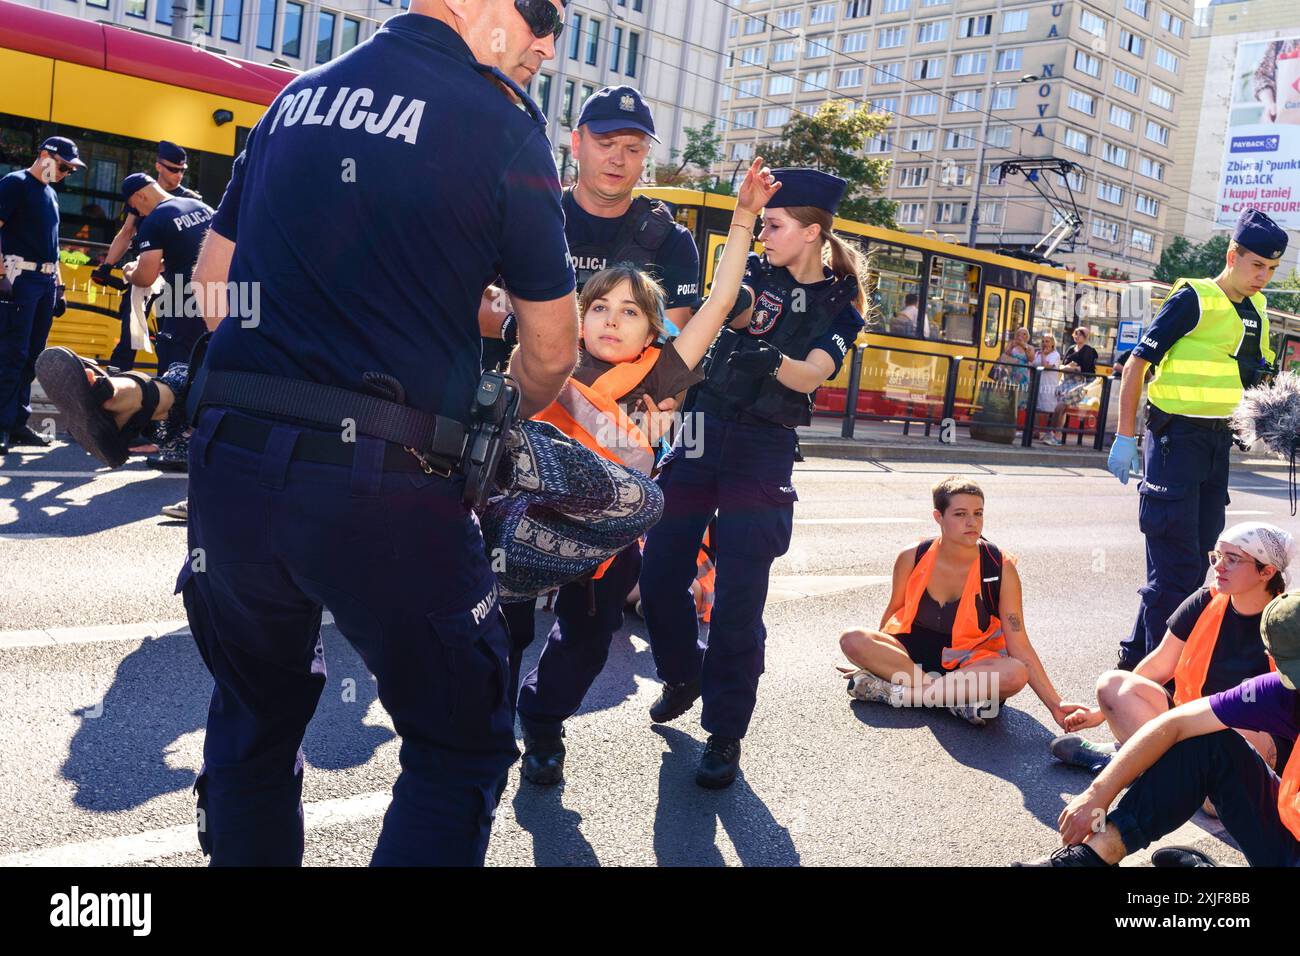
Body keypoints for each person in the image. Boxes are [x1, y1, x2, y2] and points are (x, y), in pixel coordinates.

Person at [177, 0, 576, 866]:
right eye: (539, 11)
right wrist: (500, 404)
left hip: (230, 465)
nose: (548, 36)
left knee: (253, 725)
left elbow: (214, 287)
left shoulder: (295, 96)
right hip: (388, 480)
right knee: (458, 742)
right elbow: (552, 348)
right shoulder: (500, 125)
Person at [510, 157, 781, 786]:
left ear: (653, 330)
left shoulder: (661, 377)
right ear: (579, 316)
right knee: (496, 634)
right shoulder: (548, 357)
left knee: (584, 641)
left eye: (630, 312)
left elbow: (715, 305)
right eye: (600, 306)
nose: (611, 319)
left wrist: (743, 220)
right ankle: (486, 732)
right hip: (516, 523)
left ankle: (544, 721)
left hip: (605, 545)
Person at [637, 167, 866, 789]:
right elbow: (722, 297)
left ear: (813, 233)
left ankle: (725, 733)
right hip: (702, 429)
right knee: (658, 575)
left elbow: (812, 374)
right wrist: (743, 218)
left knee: (738, 601)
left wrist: (776, 360)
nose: (765, 234)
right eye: (762, 226)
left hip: (764, 446)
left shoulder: (841, 304)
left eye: (774, 225)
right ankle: (682, 673)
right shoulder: (755, 275)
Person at [1108, 209, 1286, 671]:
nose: (1263, 277)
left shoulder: (1258, 310)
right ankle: (1154, 678)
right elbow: (1135, 365)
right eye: (1256, 266)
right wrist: (1125, 436)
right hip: (1174, 443)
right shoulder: (1194, 298)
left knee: (1199, 570)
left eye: (1271, 269)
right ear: (1233, 255)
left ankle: (1136, 659)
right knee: (1176, 572)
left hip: (1216, 447)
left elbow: (1256, 376)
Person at [1017, 590, 1300, 868]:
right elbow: (1174, 724)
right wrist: (1097, 794)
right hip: (1289, 837)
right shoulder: (1280, 690)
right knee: (1207, 744)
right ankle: (1092, 857)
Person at [480, 84, 701, 369]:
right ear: (576, 144)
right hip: (513, 394)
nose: (617, 160)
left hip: (613, 406)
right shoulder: (525, 213)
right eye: (605, 143)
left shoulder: (673, 241)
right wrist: (518, 328)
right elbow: (462, 294)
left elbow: (673, 340)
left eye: (632, 149)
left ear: (645, 155)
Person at [838, 478, 1087, 728]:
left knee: (1015, 673)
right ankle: (951, 701)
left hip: (969, 669)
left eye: (978, 513)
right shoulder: (912, 556)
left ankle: (900, 694)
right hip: (913, 661)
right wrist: (876, 663)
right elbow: (893, 614)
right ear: (938, 516)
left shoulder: (1000, 567)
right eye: (960, 514)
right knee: (851, 638)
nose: (972, 522)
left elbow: (1019, 645)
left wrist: (1055, 704)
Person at [1051, 522, 1293, 775]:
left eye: (1232, 559)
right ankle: (1146, 764)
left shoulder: (1289, 620)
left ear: (1266, 571)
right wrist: (1100, 713)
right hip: (1189, 722)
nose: (1218, 566)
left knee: (1227, 749)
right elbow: (1159, 664)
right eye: (1217, 556)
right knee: (1113, 685)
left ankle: (1128, 760)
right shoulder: (1204, 601)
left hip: (1251, 732)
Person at [0, 136, 83, 454]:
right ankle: (2, 424)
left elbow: (54, 245)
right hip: (18, 277)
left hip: (45, 281)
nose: (65, 173)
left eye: (70, 170)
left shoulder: (50, 193)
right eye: (63, 166)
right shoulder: (15, 183)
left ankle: (18, 422)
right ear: (45, 155)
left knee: (33, 355)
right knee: (11, 353)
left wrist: (59, 285)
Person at [99, 141, 203, 373]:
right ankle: (117, 380)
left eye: (182, 170)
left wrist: (132, 271)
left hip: (173, 280)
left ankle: (168, 385)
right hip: (150, 271)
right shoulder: (144, 198)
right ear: (158, 166)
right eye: (173, 169)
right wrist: (107, 265)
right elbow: (126, 232)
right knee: (130, 329)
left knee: (170, 338)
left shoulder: (189, 199)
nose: (179, 175)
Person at [1050, 325, 1097, 442]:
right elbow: (1062, 366)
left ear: (1086, 337)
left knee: (1060, 406)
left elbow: (1085, 369)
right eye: (1076, 333)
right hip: (1066, 382)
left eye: (1081, 334)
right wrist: (1071, 367)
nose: (1077, 336)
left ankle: (1054, 433)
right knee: (1059, 406)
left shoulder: (1088, 350)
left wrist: (1071, 368)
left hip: (1079, 384)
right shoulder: (1071, 348)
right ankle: (1055, 434)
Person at [1035, 332, 1062, 444]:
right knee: (1036, 408)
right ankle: (1035, 431)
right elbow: (1032, 364)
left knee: (1048, 410)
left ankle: (1048, 433)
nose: (1044, 343)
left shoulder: (1055, 355)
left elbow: (1046, 366)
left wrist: (1042, 355)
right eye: (1043, 341)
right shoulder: (1038, 353)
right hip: (1038, 384)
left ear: (1052, 344)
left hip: (1049, 386)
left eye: (1047, 341)